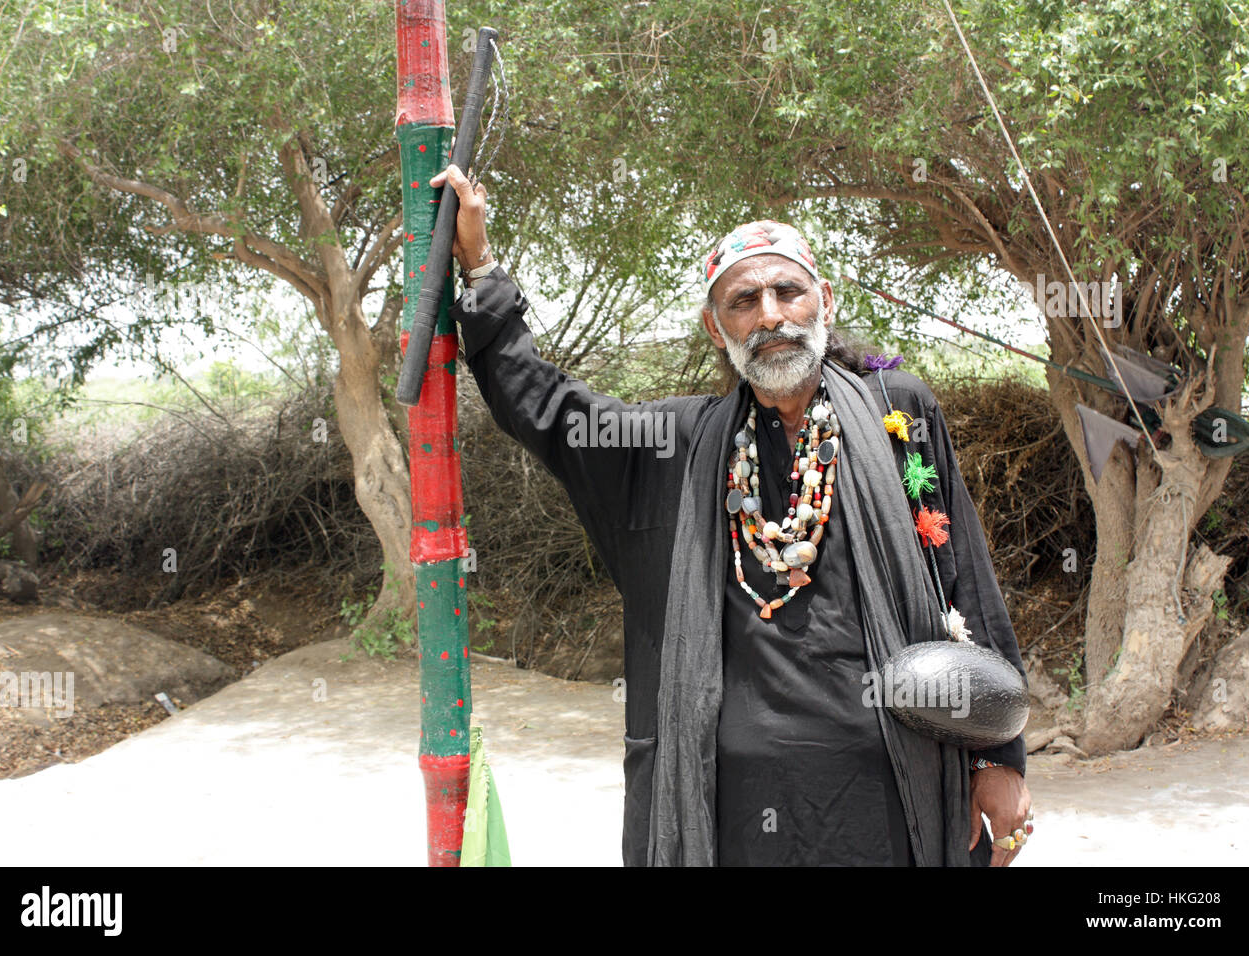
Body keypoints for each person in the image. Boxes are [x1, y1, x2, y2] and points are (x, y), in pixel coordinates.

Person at [429, 163, 1033, 866]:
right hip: (729, 815)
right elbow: (550, 410)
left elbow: (966, 587)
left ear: (825, 302)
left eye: (788, 291)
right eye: (744, 301)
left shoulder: (899, 411)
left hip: (891, 796)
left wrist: (998, 760)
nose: (770, 315)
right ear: (717, 328)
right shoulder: (677, 446)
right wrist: (480, 266)